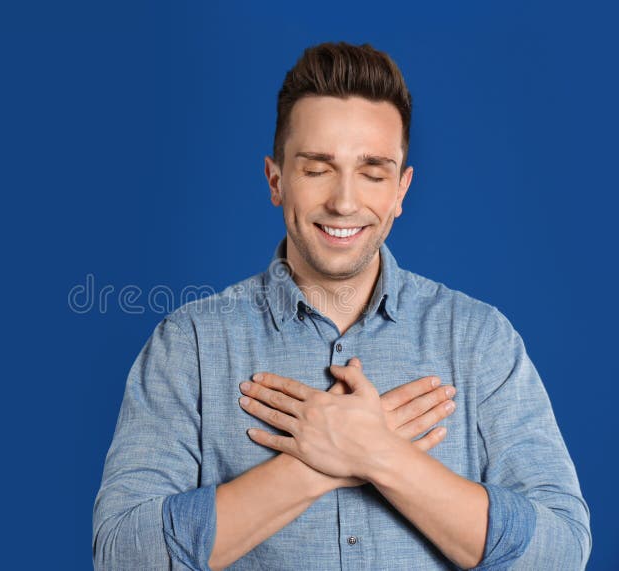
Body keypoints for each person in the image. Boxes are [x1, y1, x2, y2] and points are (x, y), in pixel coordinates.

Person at [92, 41, 591, 570]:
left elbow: (560, 552)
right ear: (276, 180)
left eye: (373, 172)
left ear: (401, 189)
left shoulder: (479, 339)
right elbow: (125, 552)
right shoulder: (189, 343)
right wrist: (311, 463)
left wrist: (381, 454)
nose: (345, 201)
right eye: (317, 169)